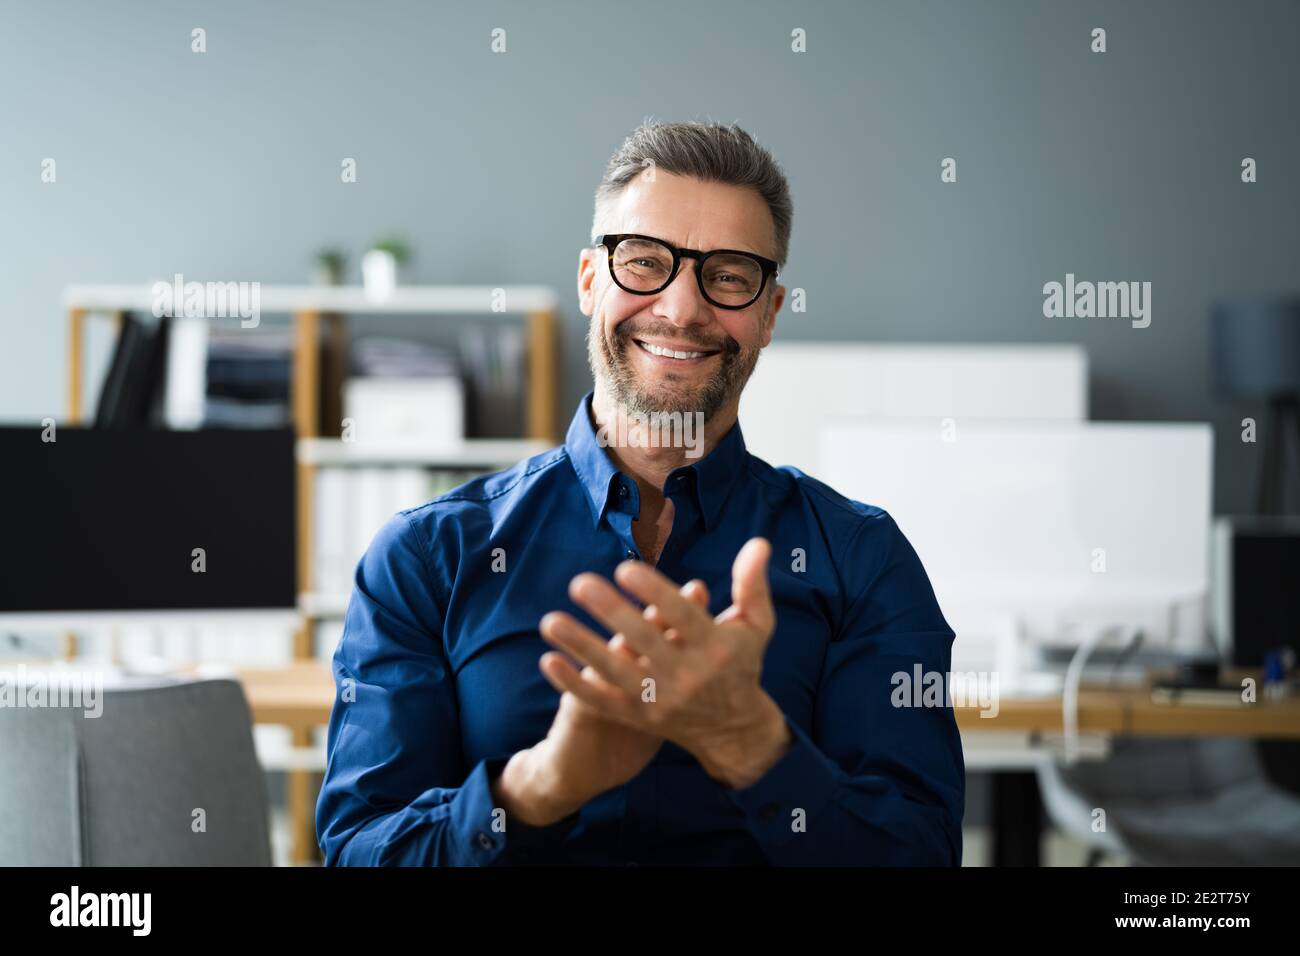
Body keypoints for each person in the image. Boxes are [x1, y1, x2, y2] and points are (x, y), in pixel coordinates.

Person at [315, 120, 965, 865]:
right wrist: (535, 789)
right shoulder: (428, 556)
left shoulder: (863, 560)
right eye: (646, 261)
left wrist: (753, 747)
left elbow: (920, 853)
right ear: (591, 281)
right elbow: (360, 850)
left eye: (727, 275)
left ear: (769, 313)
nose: (682, 310)